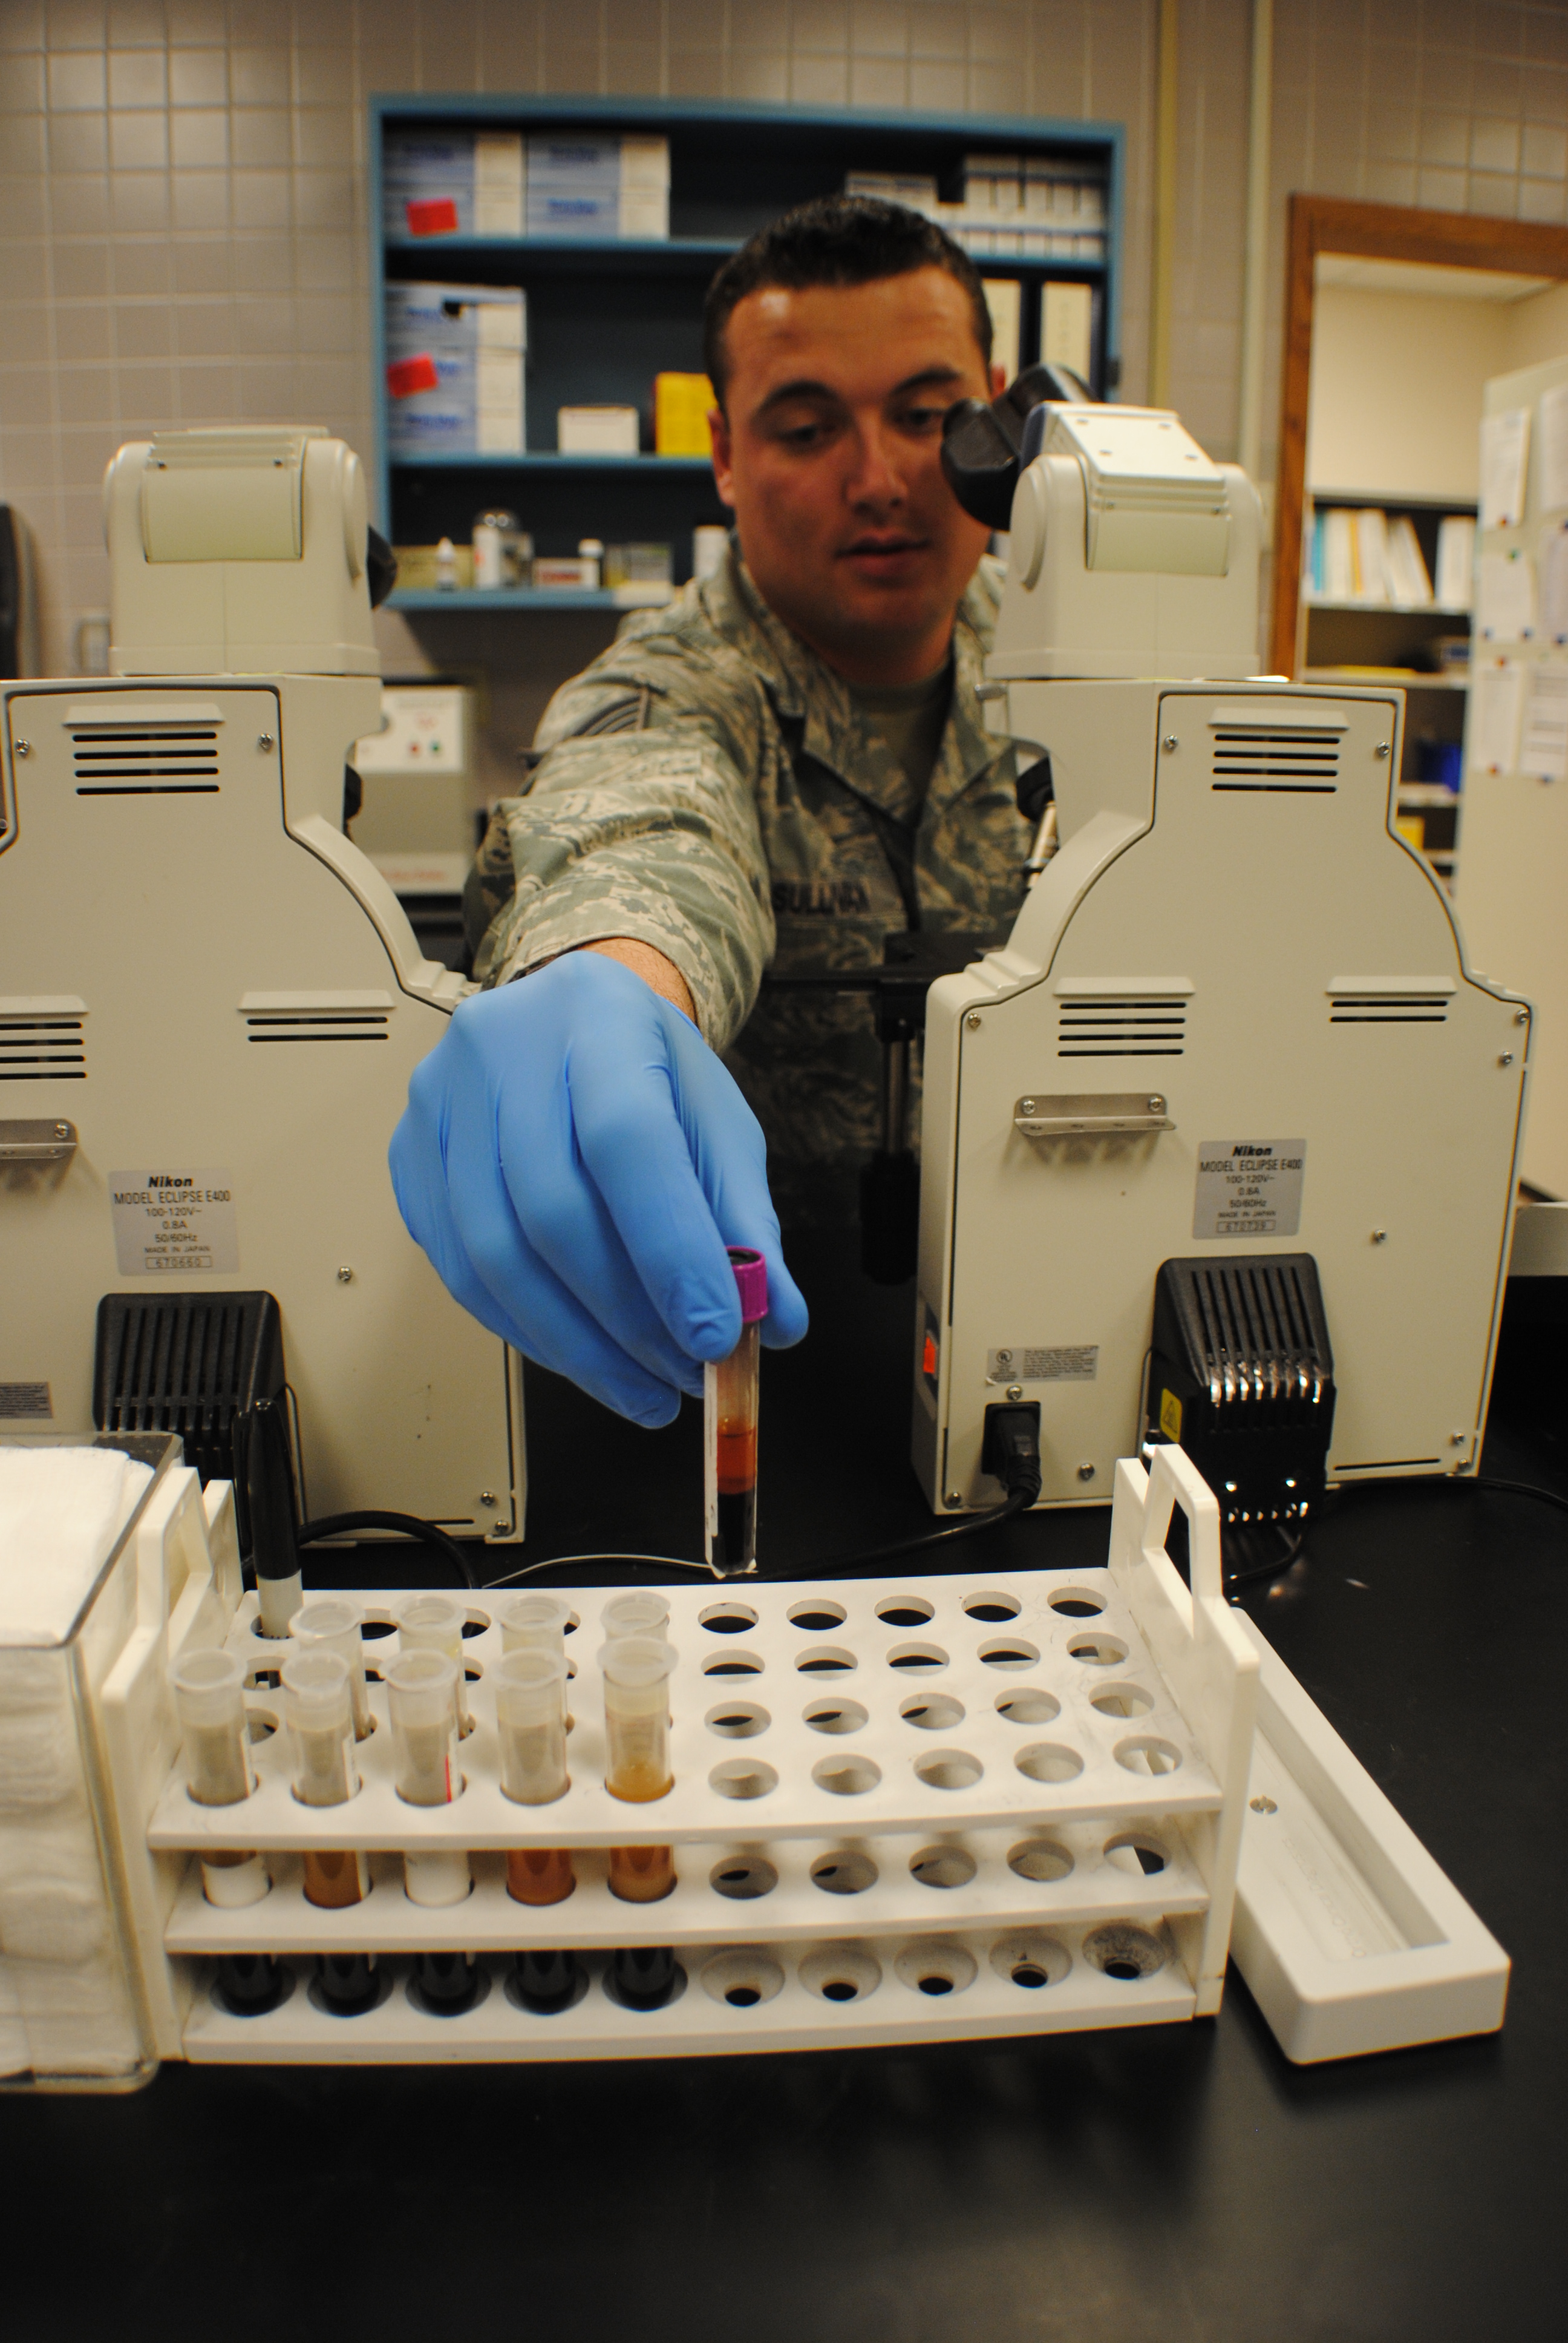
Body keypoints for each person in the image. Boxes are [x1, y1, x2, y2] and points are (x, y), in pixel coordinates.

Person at [390, 195, 1033, 1429]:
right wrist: (613, 983)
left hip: (1041, 1339)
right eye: (806, 429)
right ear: (725, 452)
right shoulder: (675, 688)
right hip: (725, 1369)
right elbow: (637, 825)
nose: (882, 477)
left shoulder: (1087, 671)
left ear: (994, 418)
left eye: (926, 416)